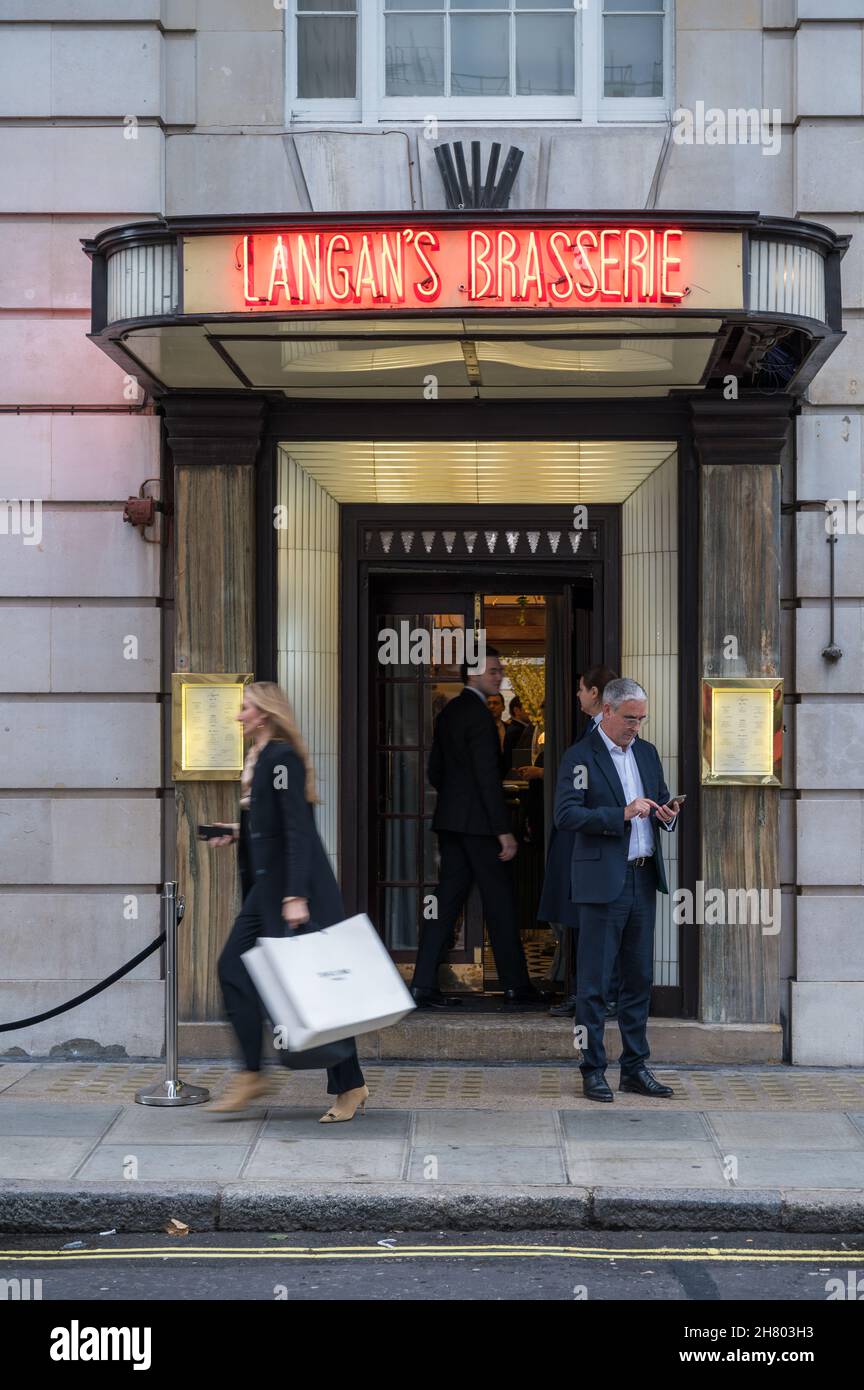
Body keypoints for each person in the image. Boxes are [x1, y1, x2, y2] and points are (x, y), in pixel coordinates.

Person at [207, 681, 368, 1122]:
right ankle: (252, 1072)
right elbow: (272, 825)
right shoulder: (259, 756)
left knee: (312, 991)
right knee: (232, 967)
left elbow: (297, 829)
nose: (238, 715)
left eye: (245, 708)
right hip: (267, 889)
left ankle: (349, 1086)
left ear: (264, 713)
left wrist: (297, 895)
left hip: (293, 891)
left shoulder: (282, 757)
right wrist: (237, 832)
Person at [552, 677, 682, 1102]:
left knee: (638, 979)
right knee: (593, 985)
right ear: (606, 711)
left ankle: (634, 1068)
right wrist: (621, 813)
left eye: (641, 719)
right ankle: (591, 1069)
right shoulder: (580, 756)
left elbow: (660, 801)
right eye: (629, 718)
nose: (636, 727)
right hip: (601, 881)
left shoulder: (646, 753)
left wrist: (667, 813)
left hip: (642, 879)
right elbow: (566, 815)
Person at [412, 646, 538, 1007]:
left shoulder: (450, 711)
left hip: (452, 822)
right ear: (473, 673)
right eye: (493, 670)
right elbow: (487, 778)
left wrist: (455, 798)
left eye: (499, 671)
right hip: (480, 826)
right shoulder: (481, 716)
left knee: (447, 901)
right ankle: (516, 985)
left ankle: (422, 984)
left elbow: (435, 770)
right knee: (499, 902)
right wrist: (503, 830)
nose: (498, 676)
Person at [541, 666, 619, 1018]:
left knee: (596, 922)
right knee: (580, 919)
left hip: (592, 837)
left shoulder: (610, 735)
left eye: (581, 689)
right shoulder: (591, 731)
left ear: (596, 693)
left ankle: (602, 995)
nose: (577, 695)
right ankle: (583, 991)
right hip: (578, 837)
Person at [486, 691, 524, 776]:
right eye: (488, 703)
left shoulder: (512, 730)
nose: (492, 706)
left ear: (503, 707)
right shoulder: (476, 731)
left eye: (495, 703)